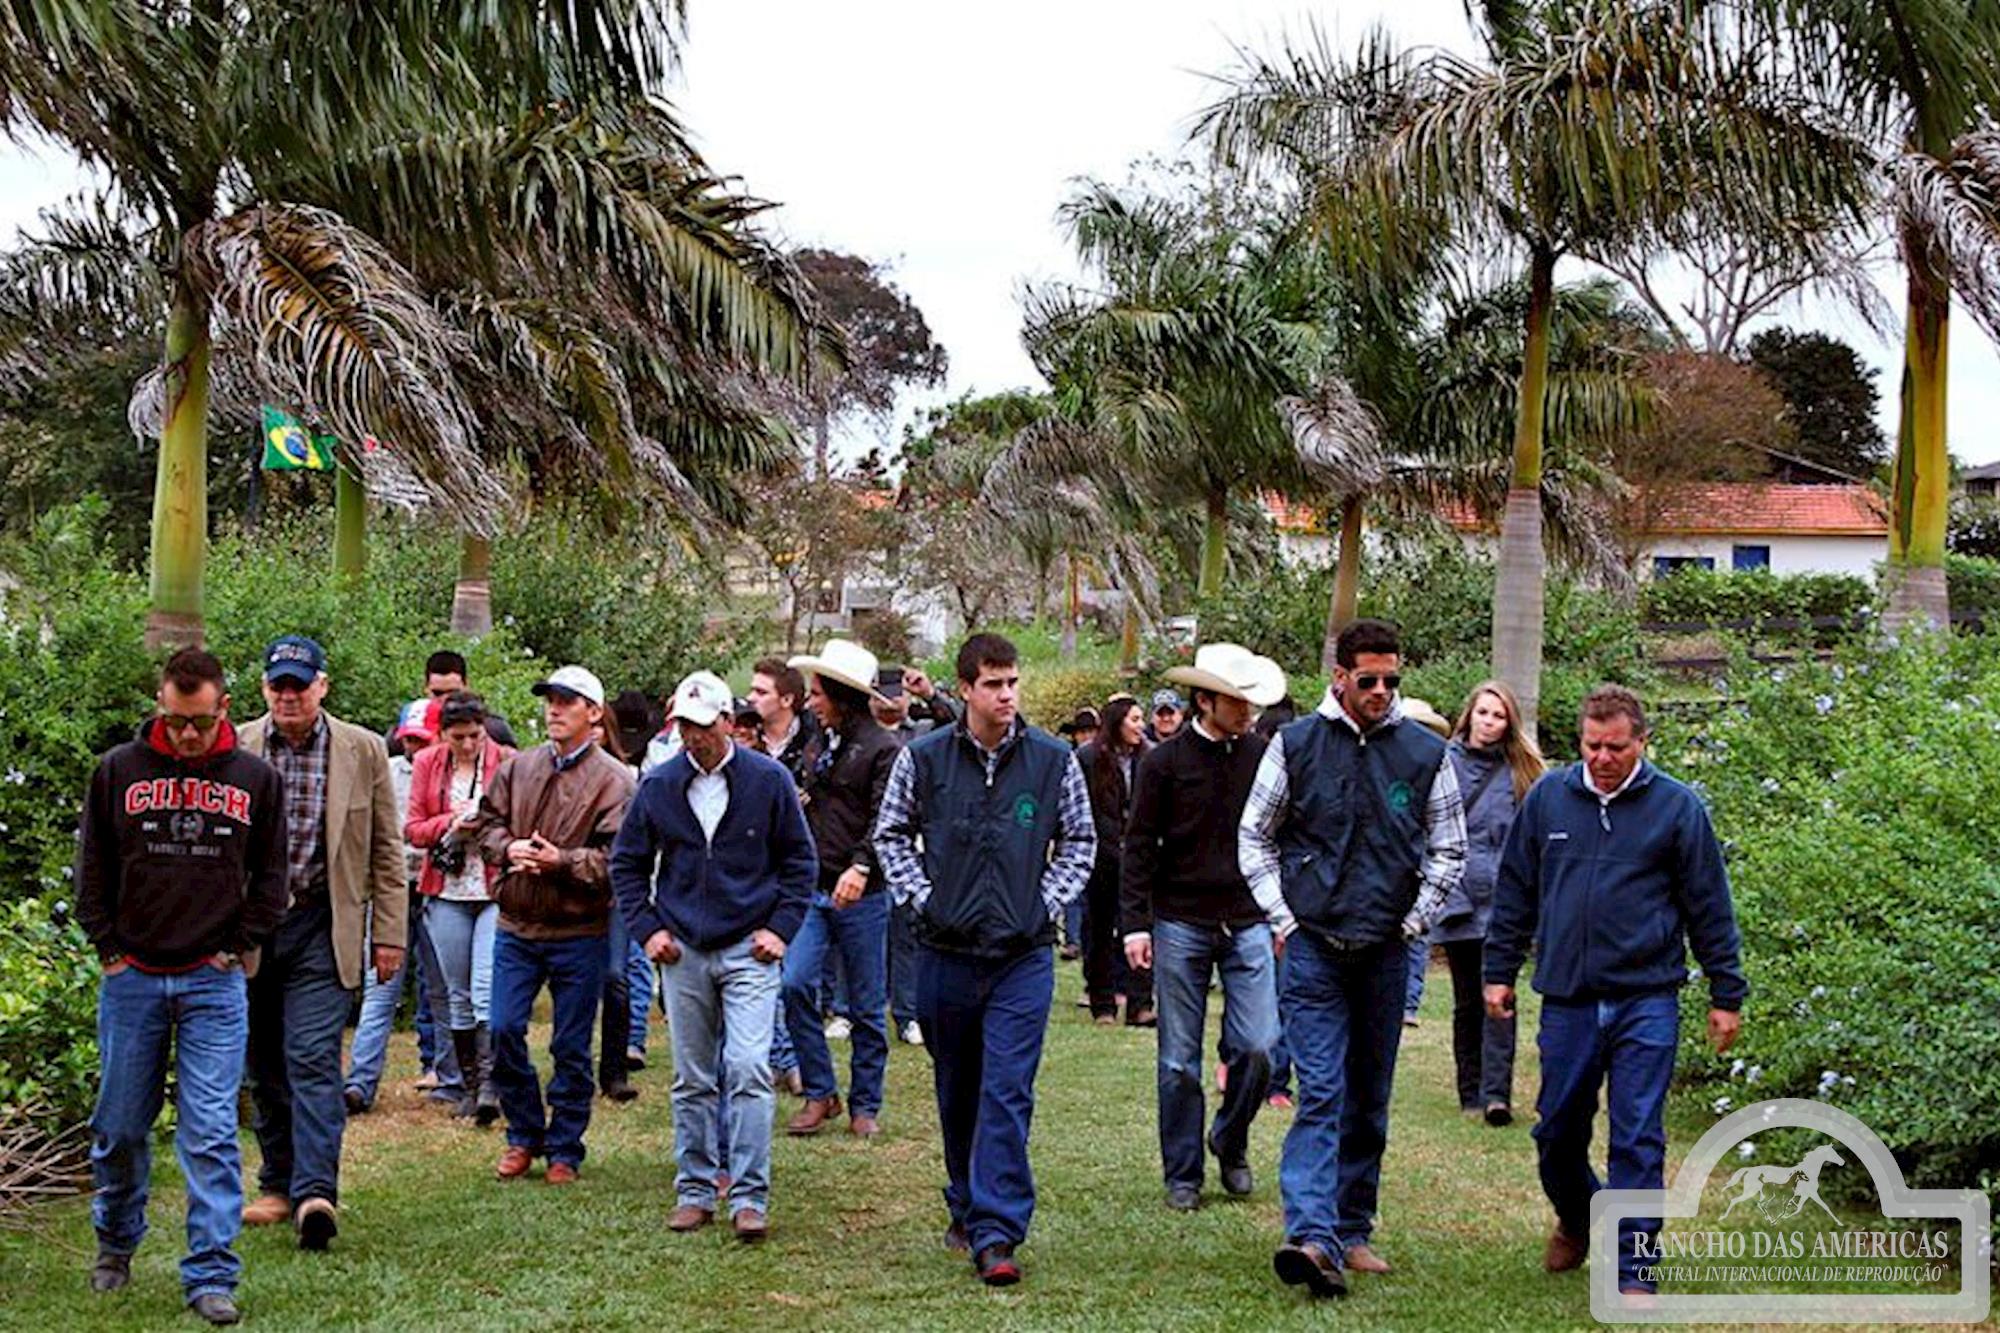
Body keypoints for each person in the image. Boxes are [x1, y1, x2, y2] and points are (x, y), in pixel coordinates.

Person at [1484, 684, 1744, 1299]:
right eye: (1592, 745)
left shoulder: (1678, 809)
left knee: (1638, 1134)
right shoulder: (1550, 798)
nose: (1602, 758)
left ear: (1642, 743)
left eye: (1616, 747)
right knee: (1557, 1132)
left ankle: (1635, 1268)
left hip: (1645, 997)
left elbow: (1710, 906)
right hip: (1569, 997)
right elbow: (1516, 889)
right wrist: (1497, 970)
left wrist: (1725, 993)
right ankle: (1579, 1216)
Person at [1238, 619, 1466, 1297]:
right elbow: (1255, 834)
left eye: (1392, 679)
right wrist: (1282, 916)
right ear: (1338, 676)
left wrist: (1418, 918)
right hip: (1313, 947)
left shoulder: (1424, 752)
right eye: (1368, 678)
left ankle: (1352, 1226)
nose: (1381, 690)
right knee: (1322, 1092)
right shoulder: (1296, 743)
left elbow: (1450, 847)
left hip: (1386, 950)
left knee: (1370, 1096)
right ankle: (1311, 1234)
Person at [874, 632, 1096, 1287]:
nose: (1007, 694)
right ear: (965, 687)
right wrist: (924, 898)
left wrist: (1043, 902)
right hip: (945, 952)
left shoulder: (1055, 761)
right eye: (994, 683)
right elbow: (889, 834)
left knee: (1007, 1089)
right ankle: (965, 1202)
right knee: (958, 1090)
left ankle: (997, 1230)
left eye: (1013, 682)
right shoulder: (923, 758)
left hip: (1021, 957)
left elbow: (1081, 839)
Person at [78, 649, 288, 1327]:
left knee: (209, 1131)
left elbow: (272, 877)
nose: (187, 735)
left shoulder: (255, 779)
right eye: (174, 720)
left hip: (211, 980)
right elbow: (94, 867)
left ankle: (211, 1273)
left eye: (198, 722)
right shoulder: (118, 770)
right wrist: (107, 947)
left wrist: (238, 943)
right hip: (133, 976)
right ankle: (115, 1243)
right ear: (159, 704)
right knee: (118, 1127)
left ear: (223, 707)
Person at [610, 670, 816, 1241]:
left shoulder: (768, 781)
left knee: (748, 1066)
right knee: (692, 1076)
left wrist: (781, 928)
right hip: (683, 950)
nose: (692, 737)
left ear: (729, 722)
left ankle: (750, 1196)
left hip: (750, 945)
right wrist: (647, 929)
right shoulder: (658, 785)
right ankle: (696, 1188)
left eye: (702, 726)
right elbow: (626, 865)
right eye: (683, 726)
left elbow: (800, 864)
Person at [238, 635, 405, 1252]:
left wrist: (388, 933)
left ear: (322, 687)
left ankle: (315, 1193)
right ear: (264, 689)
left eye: (298, 685)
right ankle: (277, 1181)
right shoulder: (239, 745)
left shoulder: (362, 749)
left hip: (322, 922)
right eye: (278, 685)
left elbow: (388, 851)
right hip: (252, 928)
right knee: (263, 1064)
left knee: (311, 1057)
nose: (288, 696)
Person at [1125, 644, 1287, 1212]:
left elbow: (1281, 839)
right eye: (1236, 701)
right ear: (1205, 699)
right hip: (1179, 922)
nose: (1246, 711)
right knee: (1177, 1059)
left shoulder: (1266, 755)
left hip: (1249, 919)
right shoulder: (1162, 763)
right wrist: (1134, 925)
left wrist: (1280, 912)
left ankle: (1231, 1138)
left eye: (1250, 702)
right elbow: (1138, 846)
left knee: (1260, 1047)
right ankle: (1183, 1173)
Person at [465, 666, 634, 1184]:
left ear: (593, 713)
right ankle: (523, 1134)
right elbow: (485, 823)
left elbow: (617, 861)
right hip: (516, 925)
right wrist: (506, 846)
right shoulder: (520, 767)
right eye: (550, 700)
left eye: (567, 700)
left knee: (570, 1045)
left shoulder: (616, 780)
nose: (554, 709)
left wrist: (561, 860)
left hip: (579, 932)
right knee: (504, 1029)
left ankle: (565, 1147)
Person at [781, 641, 903, 1139]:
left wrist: (861, 866)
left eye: (816, 693)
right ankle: (819, 1091)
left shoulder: (885, 749)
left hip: (865, 894)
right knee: (794, 985)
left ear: (840, 694)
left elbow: (887, 819)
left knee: (867, 1005)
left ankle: (865, 1103)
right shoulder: (814, 744)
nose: (810, 702)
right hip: (811, 889)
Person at [1438, 681, 1543, 1127]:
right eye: (1483, 713)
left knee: (1499, 993)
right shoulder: (1445, 765)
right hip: (1459, 897)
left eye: (1498, 716)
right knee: (1467, 999)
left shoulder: (1521, 772)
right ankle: (1470, 1088)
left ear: (1508, 724)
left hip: (1504, 902)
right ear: (1469, 716)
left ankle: (1497, 1093)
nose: (1489, 722)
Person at [344, 700, 457, 1114]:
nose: (413, 747)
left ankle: (450, 1075)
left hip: (435, 887)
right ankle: (359, 1083)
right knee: (380, 989)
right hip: (390, 890)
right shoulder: (387, 771)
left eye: (421, 739)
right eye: (408, 739)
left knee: (443, 986)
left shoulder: (451, 772)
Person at [405, 691, 511, 1125]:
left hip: (491, 888)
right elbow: (412, 829)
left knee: (486, 986)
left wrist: (483, 824)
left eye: (474, 735)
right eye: (458, 737)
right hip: (446, 886)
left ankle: (492, 1084)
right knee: (456, 991)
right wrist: (451, 822)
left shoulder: (506, 760)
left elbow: (518, 818)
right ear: (443, 734)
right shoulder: (428, 764)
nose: (468, 745)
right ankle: (468, 1086)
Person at [1075, 698, 1148, 1026]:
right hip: (1101, 858)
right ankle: (1102, 1002)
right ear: (1118, 721)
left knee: (1141, 929)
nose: (1140, 725)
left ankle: (1140, 1004)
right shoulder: (1089, 758)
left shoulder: (1150, 757)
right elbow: (1081, 809)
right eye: (1134, 719)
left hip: (1140, 858)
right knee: (1100, 929)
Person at [589, 718, 640, 1103]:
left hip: (615, 893)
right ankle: (573, 1065)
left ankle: (614, 1070)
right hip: (572, 890)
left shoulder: (625, 779)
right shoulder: (548, 775)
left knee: (614, 976)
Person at [385, 649, 517, 756]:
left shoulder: (494, 729)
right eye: (438, 693)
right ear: (426, 689)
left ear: (466, 686)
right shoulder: (407, 732)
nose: (446, 700)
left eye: (453, 692)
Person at [748, 656, 819, 779]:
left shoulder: (816, 737)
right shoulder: (742, 736)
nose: (750, 698)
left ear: (786, 700)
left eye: (761, 692)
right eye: (751, 690)